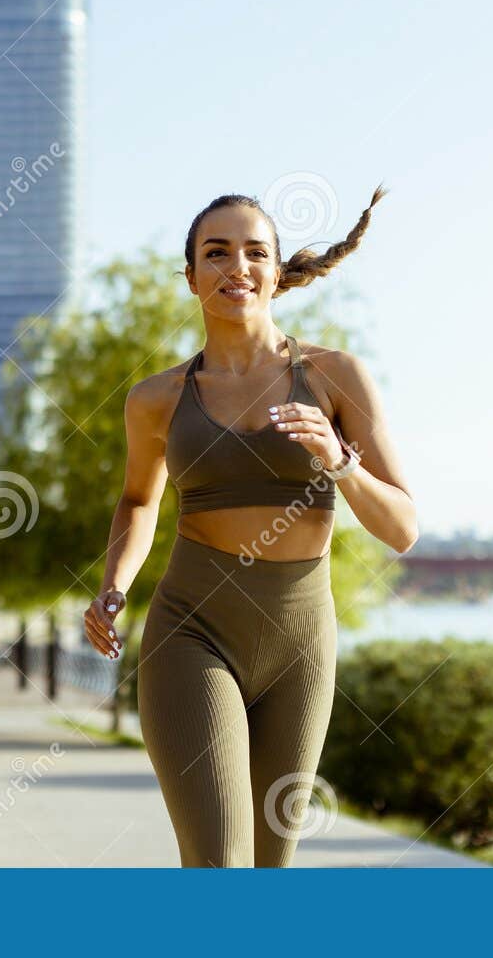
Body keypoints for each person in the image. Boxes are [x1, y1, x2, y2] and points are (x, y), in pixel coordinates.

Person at [80, 184, 418, 867]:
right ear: (191, 276)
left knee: (271, 865)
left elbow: (403, 526)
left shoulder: (333, 375)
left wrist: (338, 461)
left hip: (300, 639)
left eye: (254, 251)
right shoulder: (156, 399)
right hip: (192, 630)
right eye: (216, 252)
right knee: (219, 863)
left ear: (275, 269)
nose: (237, 266)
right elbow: (140, 502)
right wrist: (113, 586)